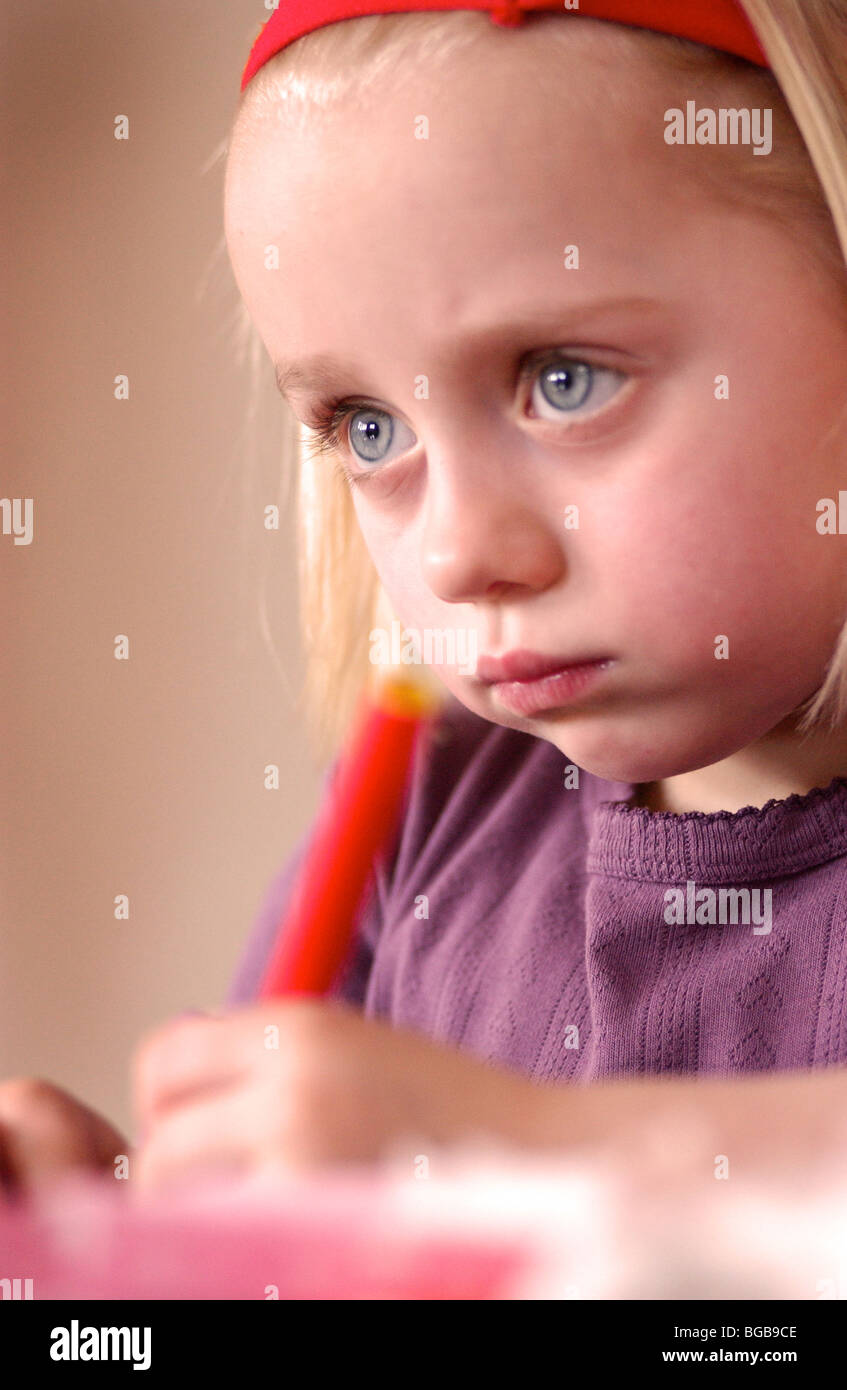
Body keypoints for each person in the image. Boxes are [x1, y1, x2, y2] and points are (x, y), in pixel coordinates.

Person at [4, 0, 847, 1200]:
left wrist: (531, 1153)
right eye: (367, 427)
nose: (457, 553)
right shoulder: (421, 827)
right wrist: (124, 1242)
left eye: (564, 380)